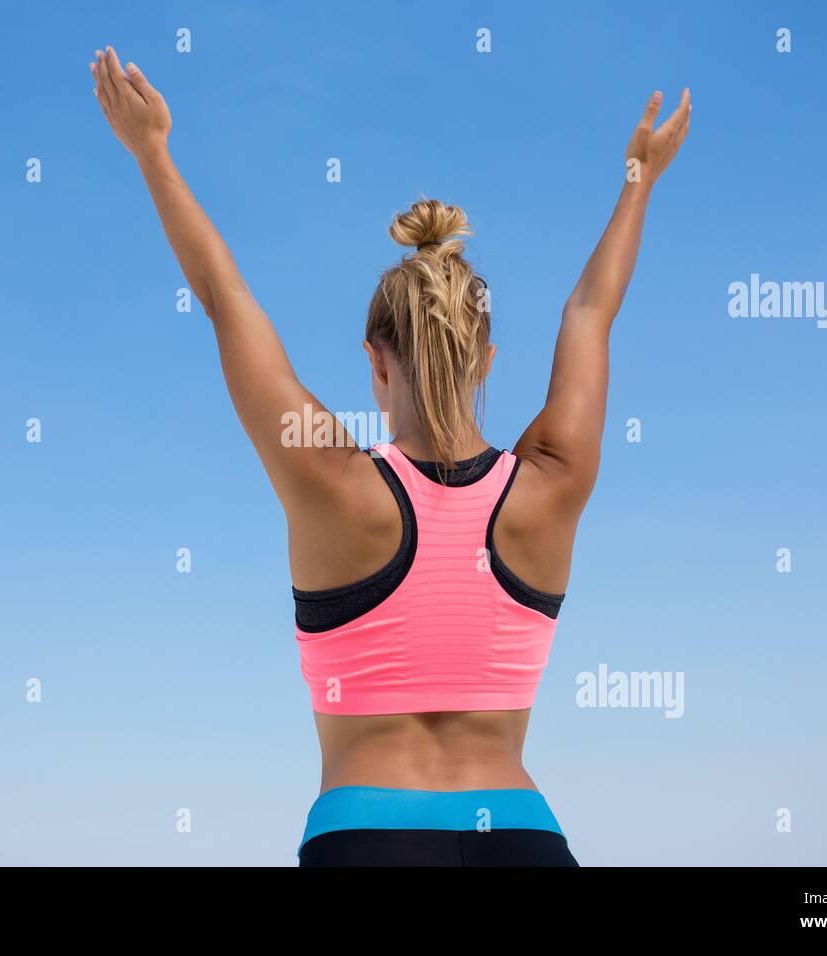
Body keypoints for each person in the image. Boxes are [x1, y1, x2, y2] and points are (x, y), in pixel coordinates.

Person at [89, 45, 690, 866]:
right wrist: (639, 179)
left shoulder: (330, 481)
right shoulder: (552, 481)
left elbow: (225, 297)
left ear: (375, 360)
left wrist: (152, 152)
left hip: (366, 838)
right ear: (486, 359)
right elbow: (591, 313)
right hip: (520, 836)